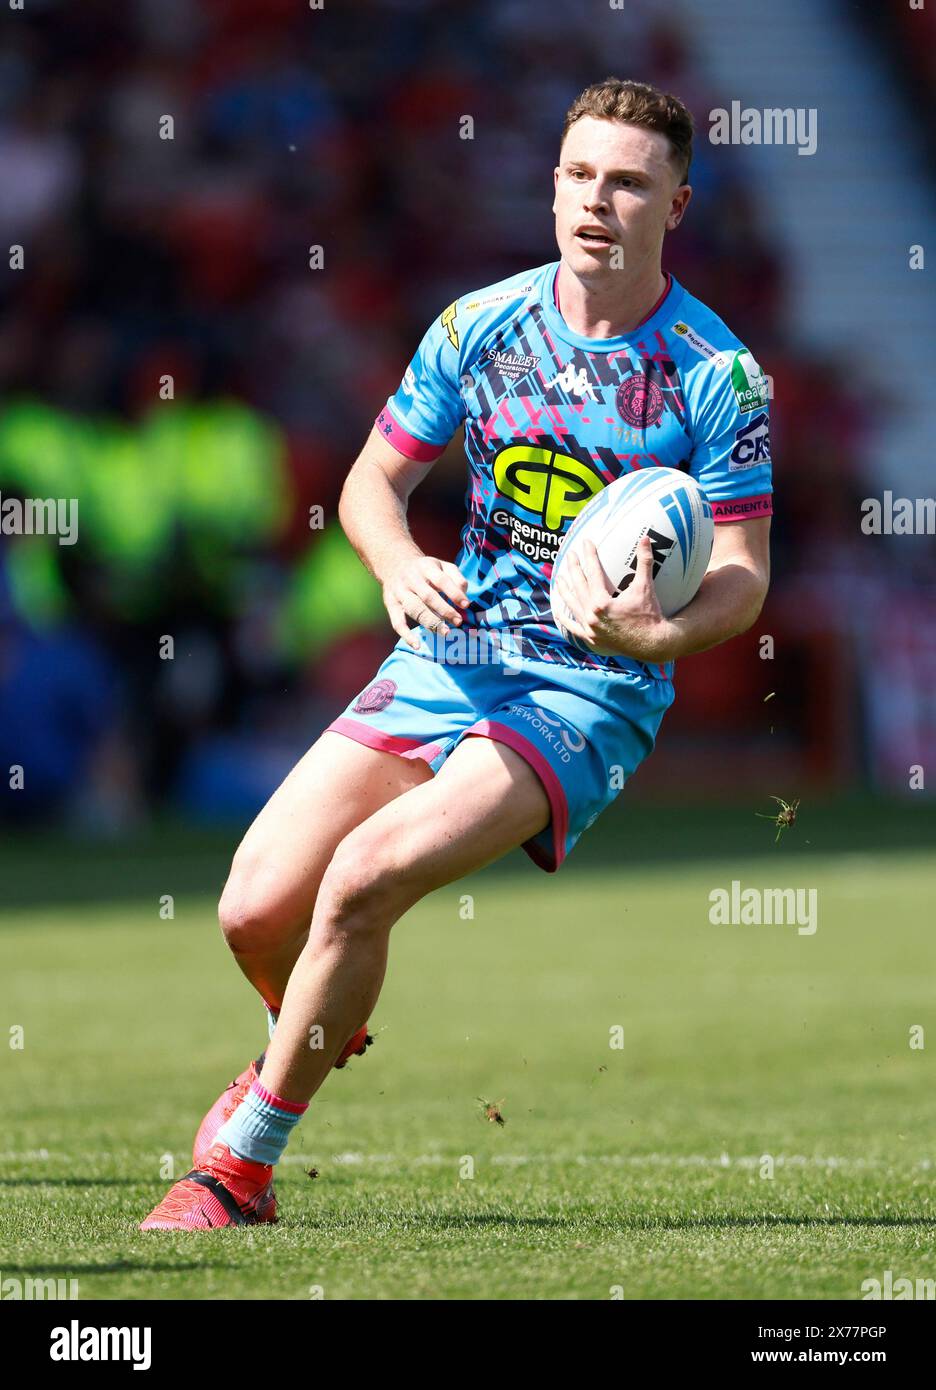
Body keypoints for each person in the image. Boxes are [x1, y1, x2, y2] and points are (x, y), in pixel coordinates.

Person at [141, 76, 772, 1230]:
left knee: (365, 879)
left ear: (677, 204)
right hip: (451, 654)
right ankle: (313, 1028)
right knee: (251, 907)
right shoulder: (478, 326)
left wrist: (655, 631)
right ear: (551, 187)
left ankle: (240, 1165)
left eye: (631, 182)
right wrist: (393, 564)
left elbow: (741, 571)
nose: (599, 201)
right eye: (579, 175)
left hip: (590, 688)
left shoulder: (717, 375)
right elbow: (373, 485)